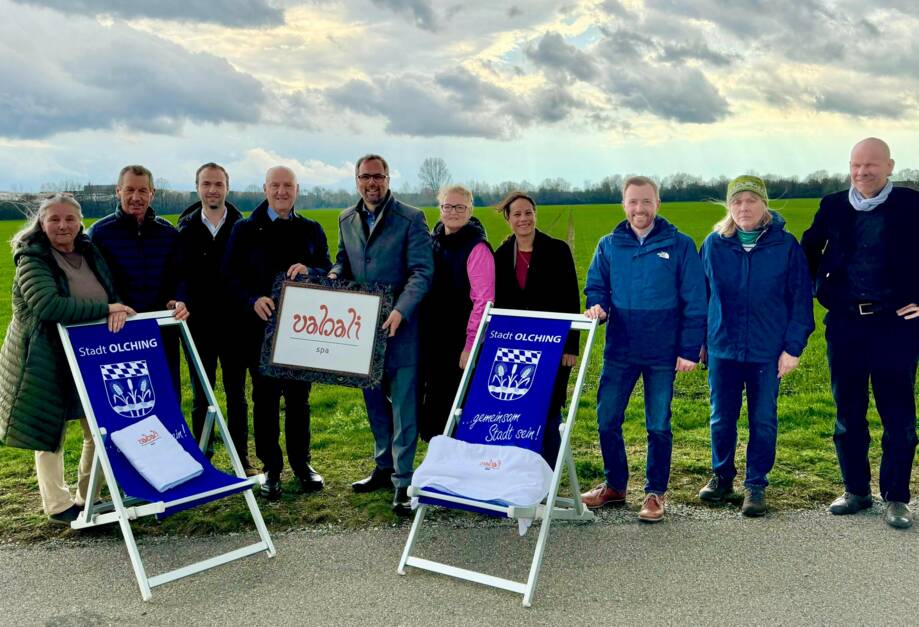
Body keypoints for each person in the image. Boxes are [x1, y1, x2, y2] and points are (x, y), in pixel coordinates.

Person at [801, 137, 919, 529]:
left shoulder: (911, 205)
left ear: (889, 166)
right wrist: (820, 290)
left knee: (898, 415)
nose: (861, 172)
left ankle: (896, 498)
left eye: (870, 165)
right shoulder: (834, 205)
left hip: (895, 326)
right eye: (855, 165)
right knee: (848, 412)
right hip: (846, 324)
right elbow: (808, 250)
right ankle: (856, 490)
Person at [0, 194, 134, 524]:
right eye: (54, 219)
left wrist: (116, 308)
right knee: (50, 432)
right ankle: (58, 506)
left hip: (88, 354)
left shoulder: (89, 251)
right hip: (44, 357)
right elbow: (49, 305)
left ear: (80, 222)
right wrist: (106, 309)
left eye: (70, 218)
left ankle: (89, 498)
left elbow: (110, 289)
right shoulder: (32, 258)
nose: (63, 225)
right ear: (42, 223)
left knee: (99, 428)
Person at [580, 176, 706, 522]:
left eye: (646, 201)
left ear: (657, 204)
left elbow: (695, 301)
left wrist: (688, 349)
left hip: (662, 353)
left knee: (658, 425)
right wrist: (598, 307)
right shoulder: (609, 245)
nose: (640, 208)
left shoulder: (680, 245)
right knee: (607, 419)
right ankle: (614, 486)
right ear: (624, 205)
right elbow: (596, 286)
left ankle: (655, 493)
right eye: (633, 201)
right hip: (619, 350)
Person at [697, 176, 815, 516]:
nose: (744, 207)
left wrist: (793, 348)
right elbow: (700, 297)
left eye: (751, 200)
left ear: (765, 205)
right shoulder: (714, 245)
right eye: (737, 201)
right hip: (723, 349)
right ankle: (722, 478)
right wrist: (699, 342)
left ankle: (756, 485)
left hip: (767, 351)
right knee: (721, 418)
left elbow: (800, 302)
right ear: (728, 207)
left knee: (763, 420)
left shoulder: (785, 246)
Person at [329, 154, 434, 515]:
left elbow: (421, 271)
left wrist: (401, 310)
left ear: (388, 179)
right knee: (373, 402)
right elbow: (343, 259)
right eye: (365, 177)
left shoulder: (411, 218)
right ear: (356, 180)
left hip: (403, 329)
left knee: (404, 407)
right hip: (362, 332)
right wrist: (334, 275)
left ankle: (403, 481)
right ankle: (383, 466)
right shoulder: (345, 218)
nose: (371, 183)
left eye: (378, 176)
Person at [223, 165, 332, 500]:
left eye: (288, 186)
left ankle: (302, 463)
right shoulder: (244, 229)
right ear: (265, 189)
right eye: (275, 185)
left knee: (299, 400)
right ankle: (271, 467)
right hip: (260, 331)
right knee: (265, 400)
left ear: (296, 189)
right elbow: (230, 276)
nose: (282, 192)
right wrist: (251, 299)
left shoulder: (311, 229)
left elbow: (329, 270)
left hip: (302, 332)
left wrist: (312, 270)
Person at [492, 191, 580, 467]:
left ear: (535, 215)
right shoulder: (501, 255)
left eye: (528, 213)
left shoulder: (557, 250)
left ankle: (548, 473)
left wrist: (570, 346)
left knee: (549, 408)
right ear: (508, 219)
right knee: (519, 407)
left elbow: (571, 299)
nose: (524, 219)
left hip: (553, 346)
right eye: (517, 214)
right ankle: (520, 470)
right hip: (515, 348)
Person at [176, 163, 254, 475]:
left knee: (237, 395)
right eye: (206, 184)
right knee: (201, 396)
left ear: (227, 188)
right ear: (197, 187)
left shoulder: (242, 227)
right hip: (198, 326)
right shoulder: (184, 229)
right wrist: (180, 298)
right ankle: (202, 460)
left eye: (218, 184)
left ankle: (241, 459)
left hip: (235, 325)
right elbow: (179, 273)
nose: (212, 190)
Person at [87, 165, 189, 396]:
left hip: (161, 330)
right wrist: (113, 306)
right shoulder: (98, 234)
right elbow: (91, 282)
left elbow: (180, 275)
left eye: (143, 190)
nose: (136, 197)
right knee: (126, 397)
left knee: (166, 395)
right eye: (129, 190)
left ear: (152, 193)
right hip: (118, 330)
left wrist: (179, 299)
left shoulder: (168, 233)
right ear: (118, 191)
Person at [418, 184, 494, 442]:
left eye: (460, 207)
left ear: (470, 210)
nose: (453, 212)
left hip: (459, 343)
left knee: (458, 412)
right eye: (448, 206)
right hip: (433, 339)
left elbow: (484, 301)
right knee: (435, 413)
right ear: (440, 209)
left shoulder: (477, 248)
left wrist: (470, 345)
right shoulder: (433, 241)